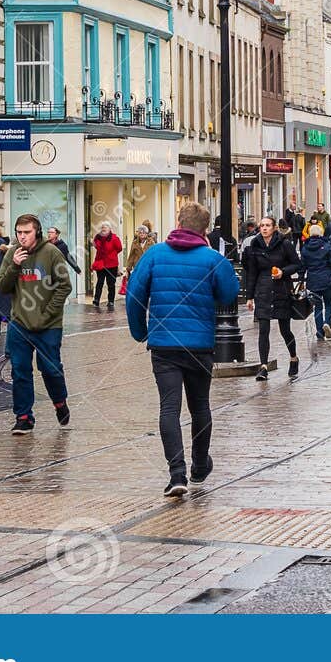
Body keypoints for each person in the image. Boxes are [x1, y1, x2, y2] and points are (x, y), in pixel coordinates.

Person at [125, 202, 240, 498]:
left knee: (169, 408)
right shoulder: (212, 259)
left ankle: (177, 473)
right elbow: (229, 293)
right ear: (205, 229)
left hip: (164, 344)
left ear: (178, 222)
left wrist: (140, 331)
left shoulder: (154, 254)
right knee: (200, 406)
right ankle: (199, 465)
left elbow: (134, 295)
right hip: (199, 345)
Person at [0, 214, 73, 435]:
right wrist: (14, 266)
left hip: (49, 325)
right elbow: (2, 287)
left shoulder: (51, 253)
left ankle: (59, 402)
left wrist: (48, 313)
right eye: (19, 232)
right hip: (19, 323)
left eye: (27, 232)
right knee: (20, 371)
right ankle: (23, 418)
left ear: (37, 232)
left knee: (50, 369)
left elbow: (64, 286)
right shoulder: (12, 253)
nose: (22, 237)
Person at [242, 216, 301, 380]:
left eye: (268, 225)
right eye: (262, 225)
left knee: (285, 330)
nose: (264, 228)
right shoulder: (255, 245)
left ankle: (293, 357)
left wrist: (283, 272)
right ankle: (263, 366)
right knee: (263, 330)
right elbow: (252, 272)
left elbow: (297, 264)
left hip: (281, 290)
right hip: (263, 290)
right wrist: (249, 297)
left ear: (274, 228)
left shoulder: (284, 244)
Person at [300, 223, 331, 341]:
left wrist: (301, 279)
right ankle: (327, 322)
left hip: (313, 281)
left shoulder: (305, 248)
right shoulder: (327, 246)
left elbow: (303, 265)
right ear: (321, 233)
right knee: (328, 304)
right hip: (327, 279)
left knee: (317, 306)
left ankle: (319, 332)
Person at [90, 221, 122, 310]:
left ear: (110, 229)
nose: (104, 228)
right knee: (99, 283)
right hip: (101, 264)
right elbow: (96, 246)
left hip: (112, 264)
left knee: (111, 284)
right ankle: (96, 300)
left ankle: (111, 301)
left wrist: (111, 255)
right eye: (102, 227)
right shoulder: (97, 238)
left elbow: (119, 248)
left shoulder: (114, 238)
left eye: (106, 227)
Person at [125, 222, 157, 287]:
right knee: (139, 283)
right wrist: (128, 269)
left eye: (143, 232)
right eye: (140, 233)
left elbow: (154, 254)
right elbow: (131, 256)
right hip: (137, 265)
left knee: (147, 282)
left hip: (147, 265)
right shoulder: (134, 243)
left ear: (146, 234)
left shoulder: (151, 242)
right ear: (138, 234)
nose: (142, 234)